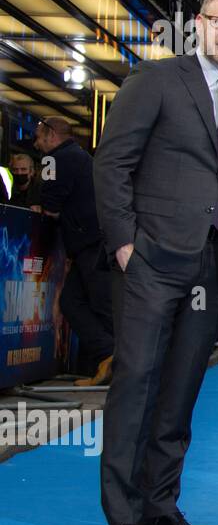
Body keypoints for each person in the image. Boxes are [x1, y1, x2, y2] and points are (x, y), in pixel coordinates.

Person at [93, 0, 218, 525]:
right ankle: (121, 520)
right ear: (199, 25)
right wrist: (124, 244)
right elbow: (112, 162)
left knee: (181, 390)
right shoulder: (157, 79)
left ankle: (159, 508)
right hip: (150, 260)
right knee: (135, 382)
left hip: (214, 263)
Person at [34, 117, 114, 385]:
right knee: (72, 302)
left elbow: (50, 205)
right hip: (92, 243)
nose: (37, 144)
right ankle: (108, 355)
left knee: (101, 305)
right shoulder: (82, 157)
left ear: (51, 134)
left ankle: (121, 364)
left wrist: (44, 208)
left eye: (39, 137)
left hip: (89, 244)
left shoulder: (54, 159)